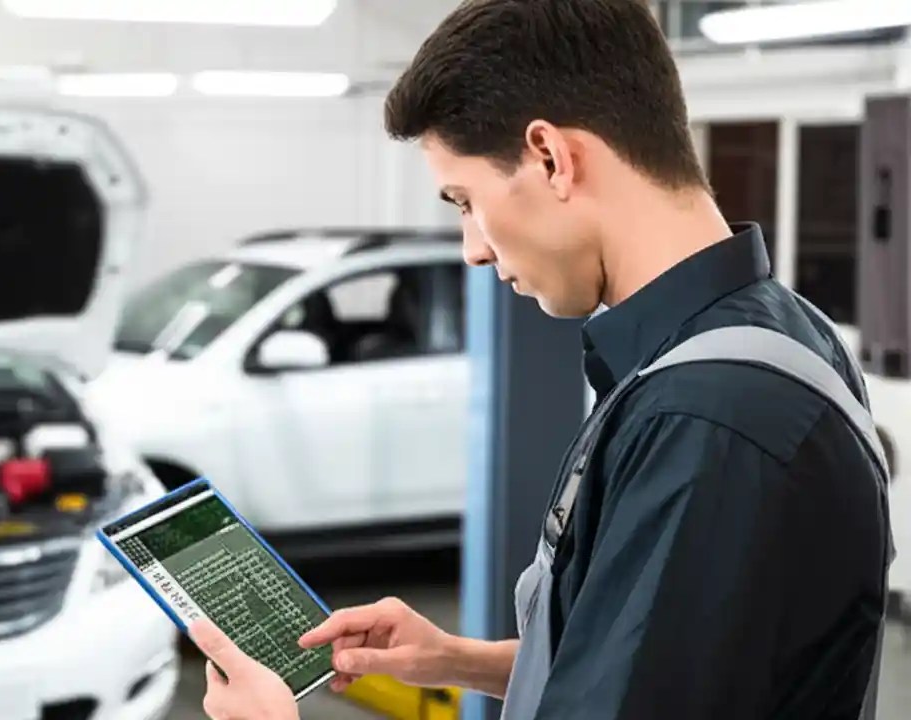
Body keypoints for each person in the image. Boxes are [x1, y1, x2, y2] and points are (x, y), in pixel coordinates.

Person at [189, 0, 893, 718]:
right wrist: (453, 659)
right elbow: (653, 666)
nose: (473, 247)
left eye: (465, 201)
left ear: (552, 158)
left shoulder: (706, 418)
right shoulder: (780, 335)